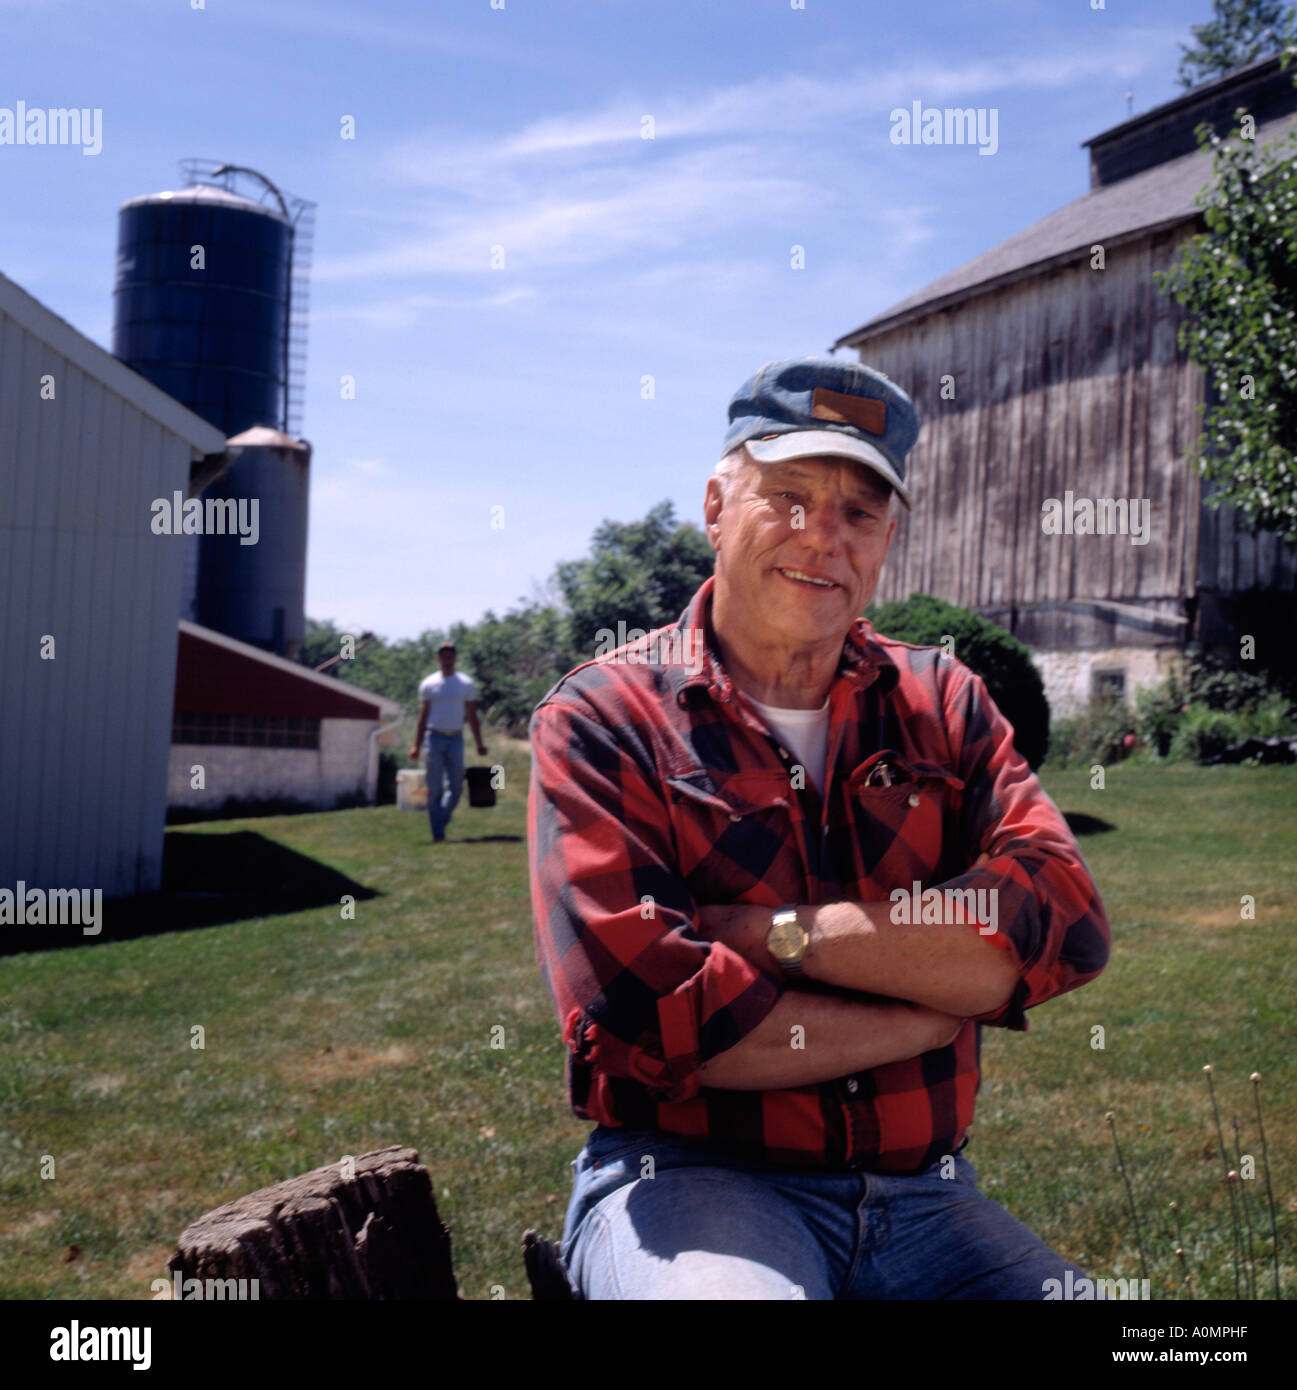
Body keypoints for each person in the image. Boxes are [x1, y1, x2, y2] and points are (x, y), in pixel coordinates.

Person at [525, 357, 1112, 1299]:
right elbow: (655, 1018)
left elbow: (1062, 923)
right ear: (717, 506)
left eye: (859, 512)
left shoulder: (941, 699)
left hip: (928, 1195)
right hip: (691, 1184)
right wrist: (932, 1010)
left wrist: (770, 937)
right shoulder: (601, 718)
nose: (822, 538)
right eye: (787, 497)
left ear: (886, 539)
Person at [410, 641, 487, 843]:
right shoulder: (429, 684)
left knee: (457, 786)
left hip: (456, 738)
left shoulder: (465, 683)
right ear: (438, 659)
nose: (447, 659)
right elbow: (423, 716)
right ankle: (438, 834)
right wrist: (416, 745)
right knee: (435, 788)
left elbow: (472, 715)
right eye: (443, 656)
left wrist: (479, 742)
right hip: (433, 737)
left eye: (450, 656)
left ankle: (440, 819)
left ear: (455, 658)